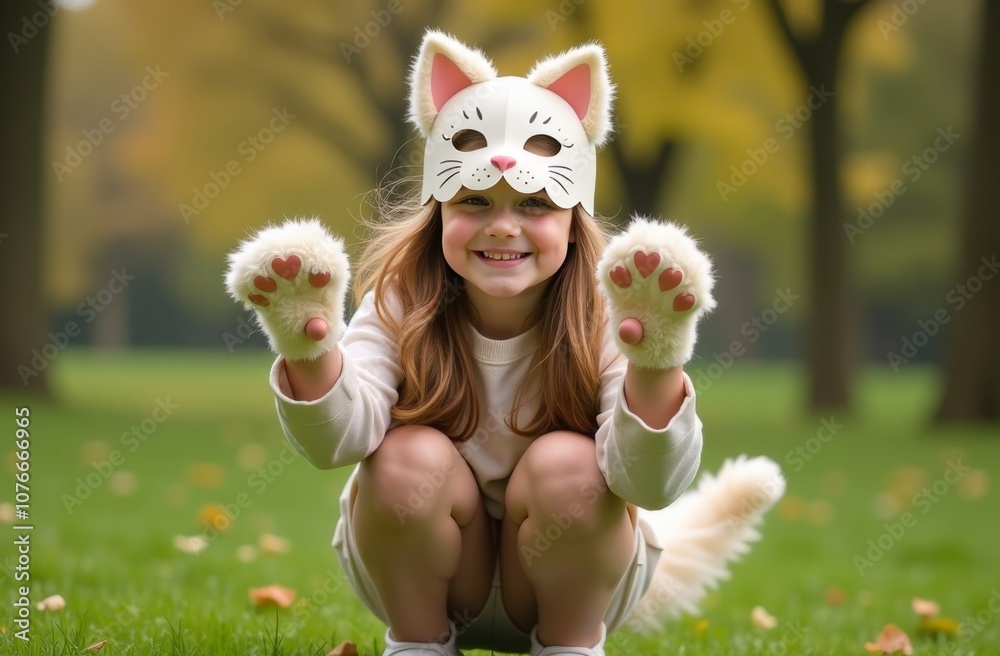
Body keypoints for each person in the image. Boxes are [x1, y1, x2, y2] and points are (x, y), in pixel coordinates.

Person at [225, 30, 784, 656]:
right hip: (423, 581)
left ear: (575, 221)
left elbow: (650, 487)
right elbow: (338, 443)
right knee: (405, 455)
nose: (503, 226)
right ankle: (416, 647)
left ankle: (570, 648)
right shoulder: (402, 300)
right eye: (474, 200)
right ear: (438, 208)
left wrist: (655, 364)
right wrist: (308, 346)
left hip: (570, 584)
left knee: (570, 467)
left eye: (535, 204)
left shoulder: (608, 309)